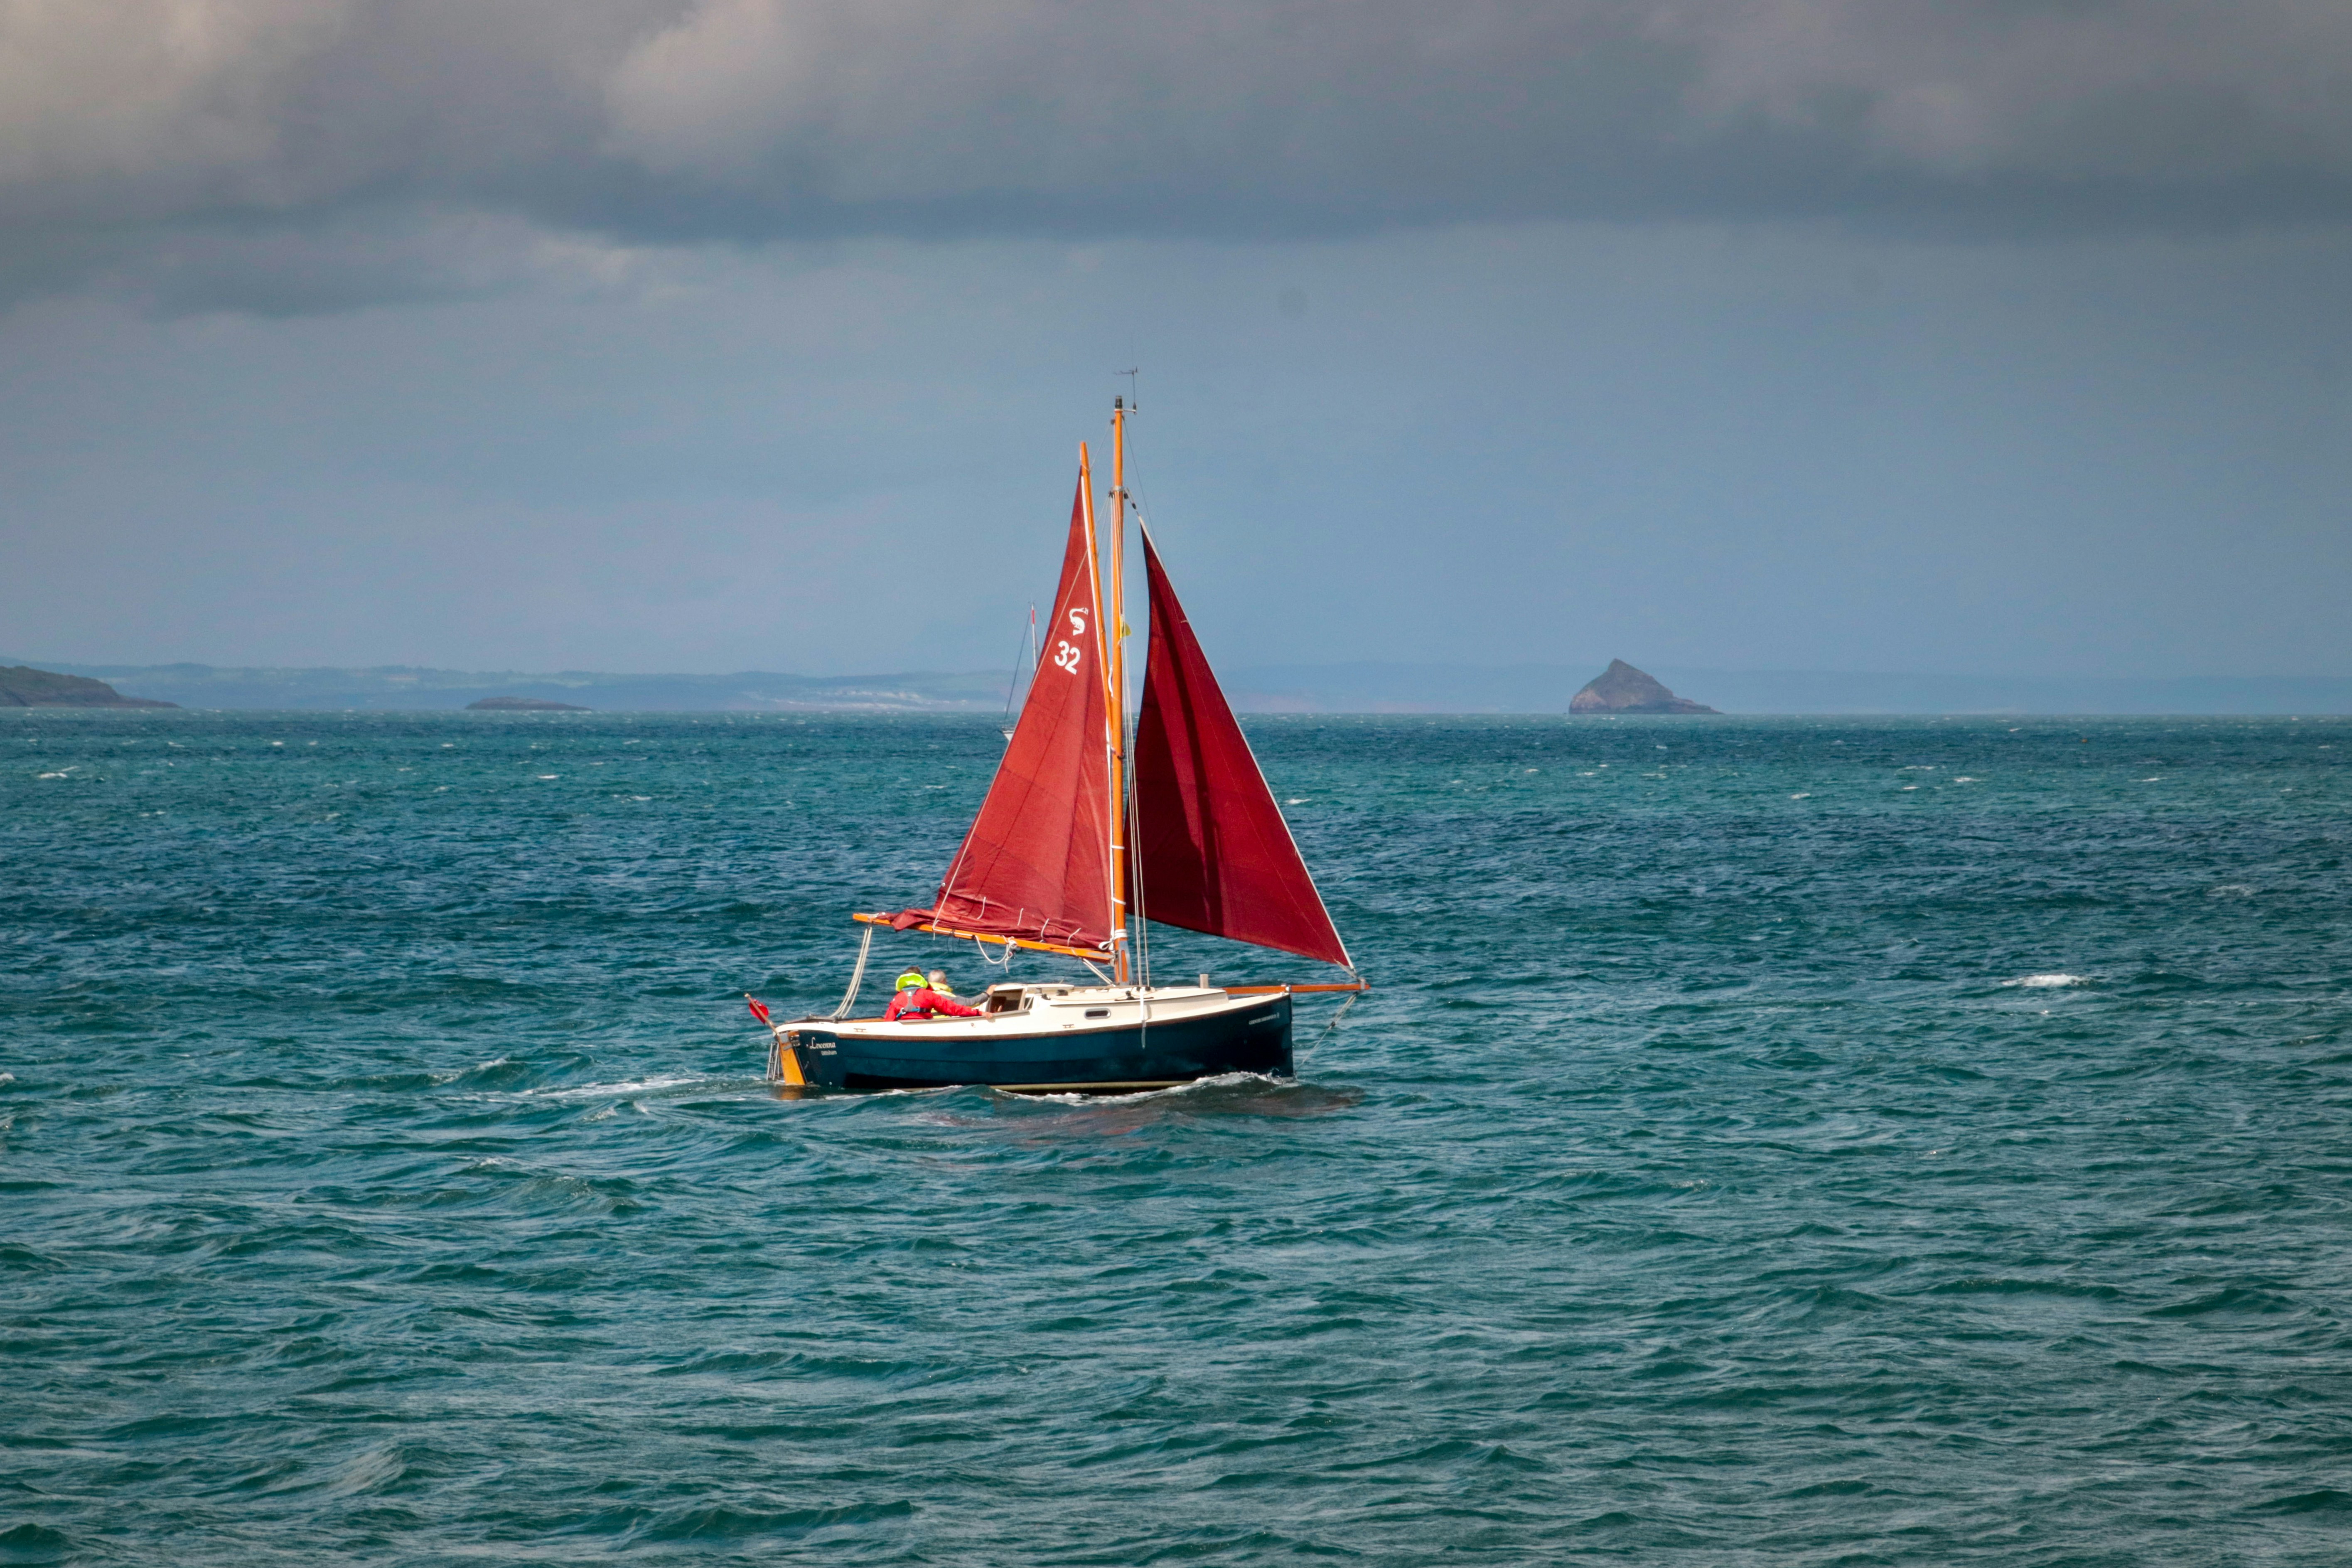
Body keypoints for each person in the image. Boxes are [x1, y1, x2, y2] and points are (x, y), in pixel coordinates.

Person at [885, 968, 981, 1021]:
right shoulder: (929, 994)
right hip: (931, 1028)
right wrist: (978, 1013)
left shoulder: (897, 999)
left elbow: (889, 1021)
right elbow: (954, 1009)